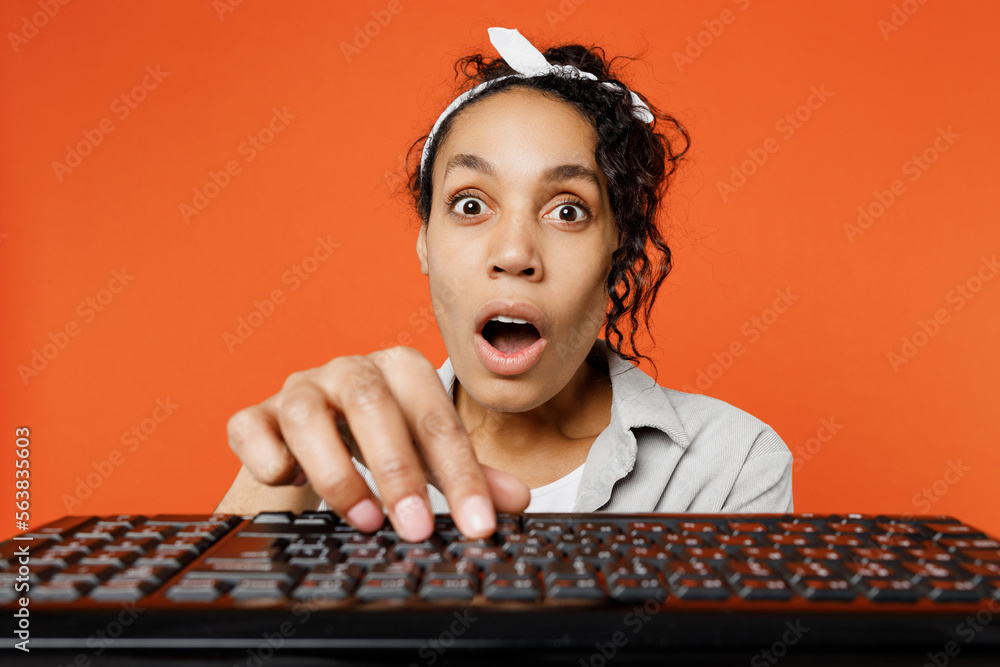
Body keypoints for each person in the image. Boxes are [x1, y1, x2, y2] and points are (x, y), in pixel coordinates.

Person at [216, 27, 793, 543]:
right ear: (425, 242)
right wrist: (280, 481)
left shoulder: (731, 466)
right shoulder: (342, 458)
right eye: (471, 204)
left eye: (568, 211)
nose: (515, 254)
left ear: (620, 259)